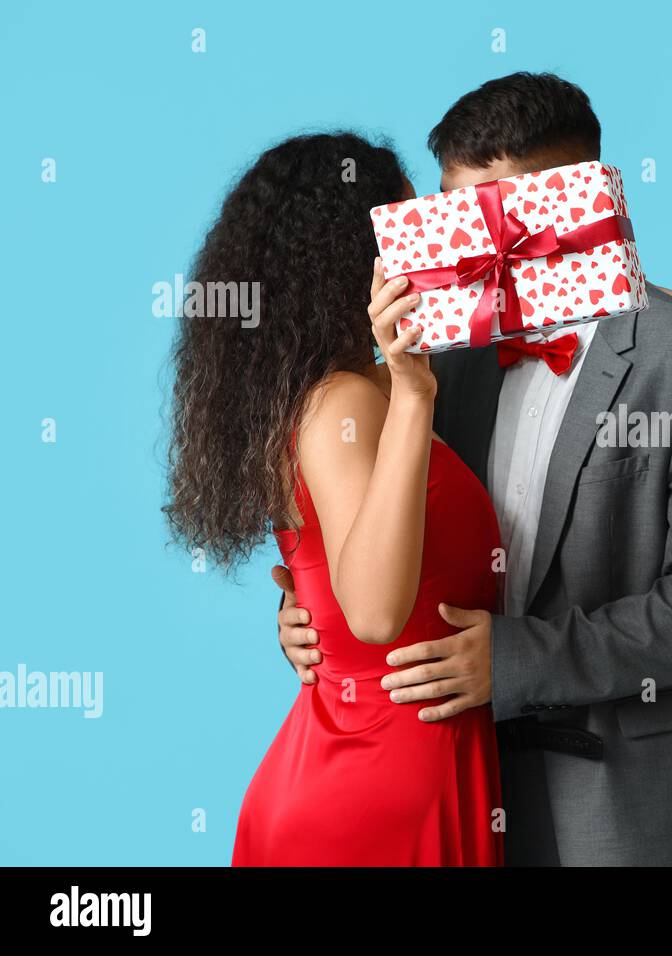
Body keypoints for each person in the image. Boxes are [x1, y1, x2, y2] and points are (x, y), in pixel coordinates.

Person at [276, 73, 672, 865]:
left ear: (571, 202)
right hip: (466, 782)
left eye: (491, 211)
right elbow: (403, 535)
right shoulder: (439, 365)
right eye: (449, 209)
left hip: (634, 797)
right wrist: (313, 617)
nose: (465, 242)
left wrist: (517, 659)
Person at [166, 132, 503, 866]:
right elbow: (377, 613)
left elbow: (335, 565)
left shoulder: (341, 390)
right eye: (405, 232)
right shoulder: (345, 403)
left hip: (370, 761)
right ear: (352, 254)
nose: (425, 253)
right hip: (380, 787)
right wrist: (414, 392)